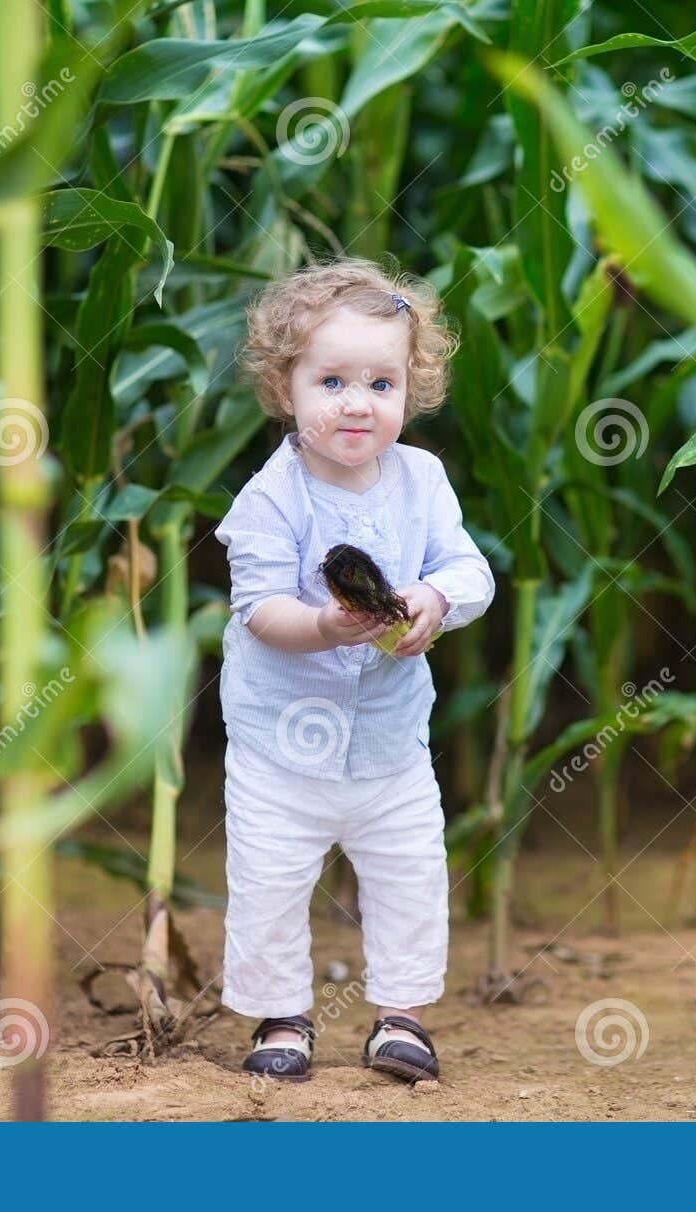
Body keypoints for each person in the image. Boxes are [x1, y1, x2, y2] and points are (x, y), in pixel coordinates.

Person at [213, 256, 495, 1083]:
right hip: (279, 744)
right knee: (269, 880)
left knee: (409, 872)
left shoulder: (424, 480)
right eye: (332, 380)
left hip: (388, 741)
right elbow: (259, 608)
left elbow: (472, 571)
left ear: (413, 388)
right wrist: (328, 625)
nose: (357, 403)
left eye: (381, 383)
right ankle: (282, 1018)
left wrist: (436, 600)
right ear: (285, 387)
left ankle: (400, 1018)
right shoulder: (272, 497)